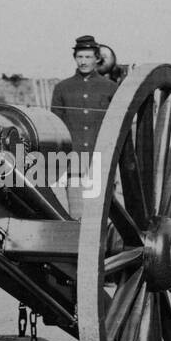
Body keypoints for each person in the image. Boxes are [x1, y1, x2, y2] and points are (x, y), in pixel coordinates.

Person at [50, 35, 118, 217]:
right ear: (75, 58)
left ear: (97, 59)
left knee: (102, 216)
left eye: (88, 57)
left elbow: (117, 127)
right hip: (74, 161)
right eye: (80, 57)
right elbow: (57, 127)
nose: (83, 62)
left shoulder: (111, 88)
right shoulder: (62, 88)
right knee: (77, 215)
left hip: (102, 160)